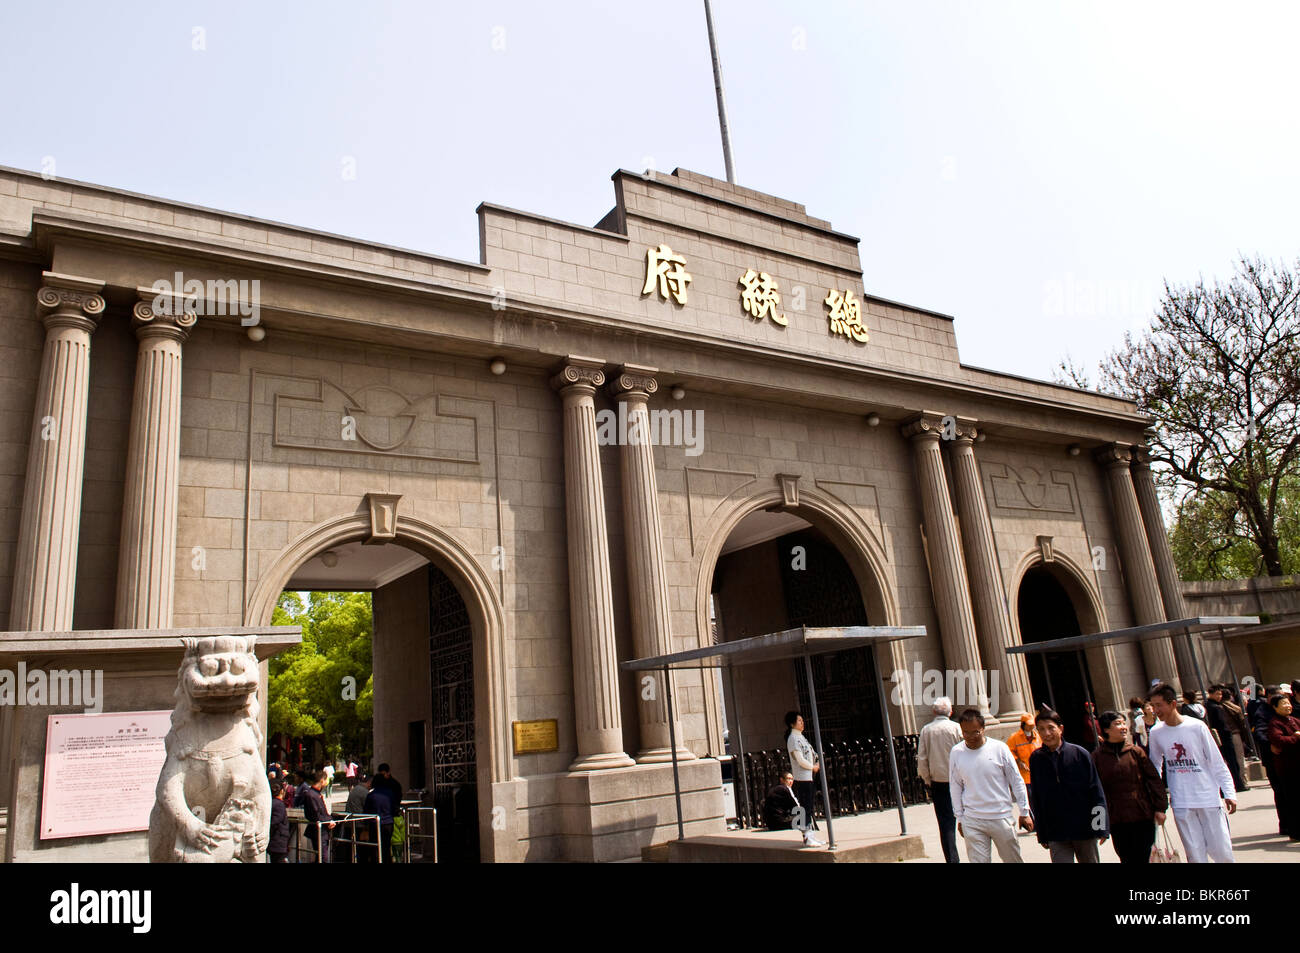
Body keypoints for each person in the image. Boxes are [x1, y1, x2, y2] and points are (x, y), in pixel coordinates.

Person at [1147, 683, 1236, 863]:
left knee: (1222, 852)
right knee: (1195, 855)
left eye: (1159, 705)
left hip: (1208, 798)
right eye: (1153, 705)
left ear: (1172, 704)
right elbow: (1155, 768)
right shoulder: (1156, 732)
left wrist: (1229, 792)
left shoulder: (1197, 727)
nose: (1155, 710)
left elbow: (1216, 761)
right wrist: (1158, 803)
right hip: (1182, 802)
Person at [948, 709, 1032, 863]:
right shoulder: (956, 752)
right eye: (965, 733)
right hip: (973, 819)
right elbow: (955, 786)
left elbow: (1016, 780)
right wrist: (960, 817)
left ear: (983, 729)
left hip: (1001, 817)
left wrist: (1024, 811)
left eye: (975, 732)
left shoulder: (999, 748)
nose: (970, 737)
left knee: (1012, 859)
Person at [1027, 709, 1109, 863]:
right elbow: (1037, 797)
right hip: (1056, 830)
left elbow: (1096, 791)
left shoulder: (1079, 754)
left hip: (1084, 827)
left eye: (1051, 728)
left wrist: (1101, 825)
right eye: (1042, 729)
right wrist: (1042, 833)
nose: (1047, 733)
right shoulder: (1036, 759)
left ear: (1061, 729)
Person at [1092, 710, 1167, 863]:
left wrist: (1160, 808)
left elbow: (1154, 780)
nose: (1123, 727)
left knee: (1144, 856)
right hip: (1117, 819)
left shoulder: (1136, 752)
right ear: (1106, 729)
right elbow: (1094, 793)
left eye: (1123, 723)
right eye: (1117, 724)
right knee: (1126, 857)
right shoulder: (1097, 757)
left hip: (1142, 814)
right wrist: (1099, 825)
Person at [916, 697, 964, 863]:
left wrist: (927, 779)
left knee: (946, 824)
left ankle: (952, 860)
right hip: (961, 781)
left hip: (939, 783)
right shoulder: (957, 728)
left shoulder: (926, 730)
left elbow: (922, 758)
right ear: (950, 712)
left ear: (933, 712)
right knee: (971, 819)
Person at [783, 711, 824, 846]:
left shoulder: (801, 737)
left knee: (809, 807)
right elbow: (799, 759)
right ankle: (806, 836)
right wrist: (812, 767)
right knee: (805, 807)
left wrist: (816, 763)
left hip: (808, 777)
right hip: (802, 777)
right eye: (799, 721)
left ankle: (811, 835)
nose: (802, 723)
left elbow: (812, 754)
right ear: (792, 723)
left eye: (802, 720)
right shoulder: (793, 739)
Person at [1266, 694, 1300, 840]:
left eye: (1288, 703)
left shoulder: (1295, 720)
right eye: (1283, 704)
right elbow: (1278, 740)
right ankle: (1295, 833)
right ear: (1275, 707)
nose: (1288, 706)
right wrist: (1296, 737)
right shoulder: (1275, 723)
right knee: (1293, 801)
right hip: (1288, 768)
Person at [1204, 685, 1245, 793]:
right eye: (1217, 694)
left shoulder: (1211, 705)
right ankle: (1237, 784)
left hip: (1221, 736)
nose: (1219, 696)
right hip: (1223, 737)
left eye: (1220, 694)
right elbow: (1222, 724)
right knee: (1230, 761)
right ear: (1211, 694)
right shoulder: (1215, 707)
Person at [762, 771, 819, 846]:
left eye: (792, 779)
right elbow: (795, 806)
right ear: (781, 780)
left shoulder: (777, 789)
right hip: (779, 822)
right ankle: (809, 838)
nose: (790, 781)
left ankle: (810, 837)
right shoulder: (785, 789)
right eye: (788, 778)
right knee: (805, 818)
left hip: (772, 823)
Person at [1006, 714, 1041, 813]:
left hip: (1038, 773)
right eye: (1029, 725)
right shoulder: (1015, 738)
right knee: (1030, 798)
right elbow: (1009, 752)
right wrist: (1018, 761)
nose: (1031, 727)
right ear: (1023, 724)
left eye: (1033, 725)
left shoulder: (1037, 736)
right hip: (1025, 775)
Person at [300, 770, 336, 863]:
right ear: (322, 780)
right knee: (322, 857)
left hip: (323, 830)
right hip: (318, 831)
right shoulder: (311, 795)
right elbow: (315, 815)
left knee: (321, 856)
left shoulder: (316, 794)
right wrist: (329, 821)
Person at [364, 773, 398, 862]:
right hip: (388, 823)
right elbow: (395, 808)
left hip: (375, 824)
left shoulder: (371, 795)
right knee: (386, 847)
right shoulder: (390, 794)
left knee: (375, 848)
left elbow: (366, 811)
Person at [268, 781, 290, 863]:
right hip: (278, 841)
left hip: (274, 841)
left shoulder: (271, 803)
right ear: (281, 791)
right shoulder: (279, 804)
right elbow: (276, 821)